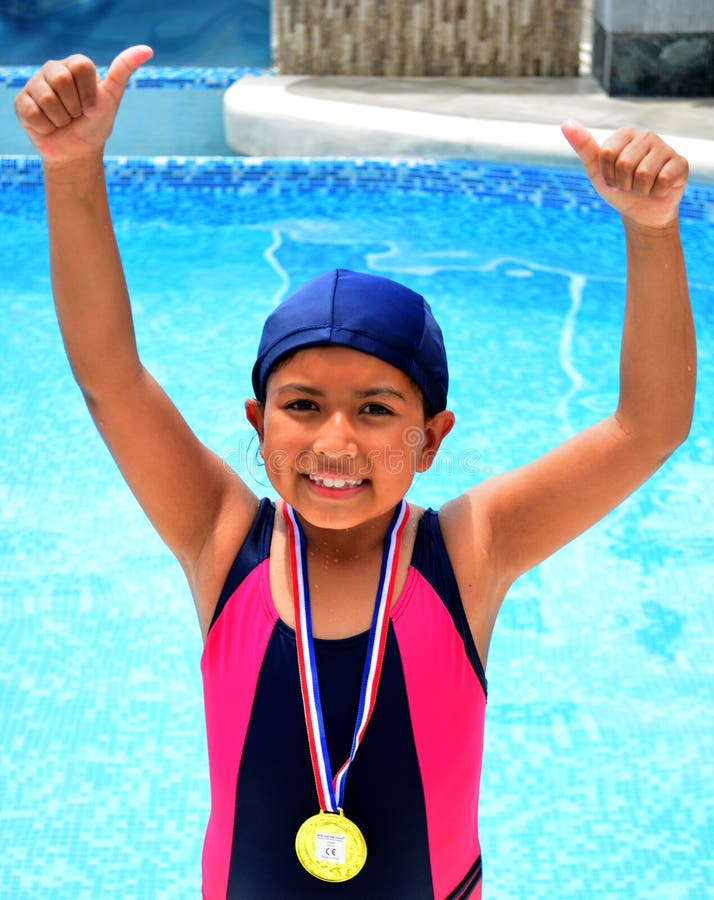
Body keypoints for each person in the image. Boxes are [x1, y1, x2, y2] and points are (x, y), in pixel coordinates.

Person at [15, 45, 696, 900]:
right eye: (302, 405)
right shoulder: (222, 539)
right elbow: (110, 376)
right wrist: (73, 167)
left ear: (431, 439)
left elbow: (647, 428)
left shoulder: (469, 554)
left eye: (376, 410)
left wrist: (651, 229)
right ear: (259, 426)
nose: (335, 442)